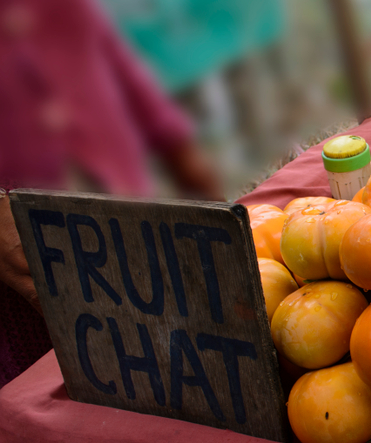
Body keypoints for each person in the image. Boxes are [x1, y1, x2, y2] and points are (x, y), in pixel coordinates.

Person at [0, 0, 224, 388]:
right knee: (54, 400)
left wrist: (180, 152)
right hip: (19, 260)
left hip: (127, 221)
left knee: (169, 368)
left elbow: (107, 52)